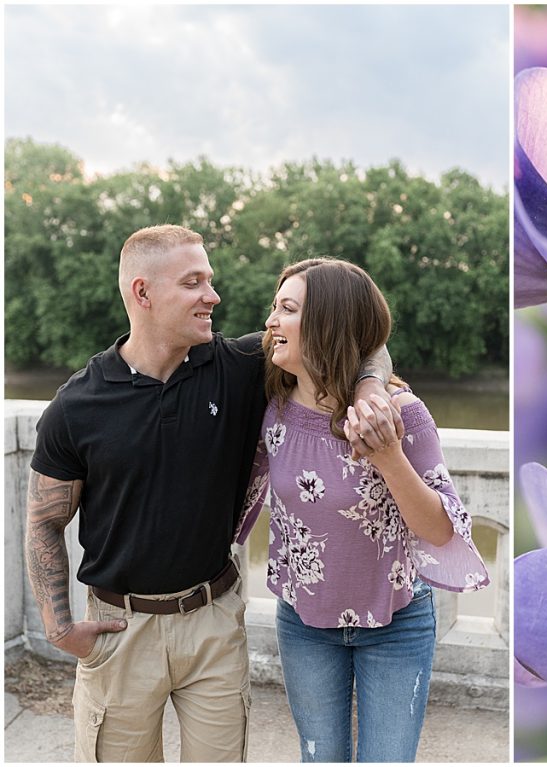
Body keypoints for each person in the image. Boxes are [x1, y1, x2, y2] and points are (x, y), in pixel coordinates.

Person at [24, 225, 395, 762]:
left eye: (211, 280)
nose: (213, 295)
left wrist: (369, 387)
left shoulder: (244, 367)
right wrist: (60, 628)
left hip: (214, 623)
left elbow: (363, 338)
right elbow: (43, 520)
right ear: (142, 293)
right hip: (120, 631)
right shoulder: (76, 405)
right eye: (193, 282)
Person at [234, 258, 490, 763]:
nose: (270, 321)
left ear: (328, 323)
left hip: (396, 623)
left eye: (286, 309)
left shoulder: (401, 412)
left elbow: (440, 531)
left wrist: (389, 455)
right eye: (274, 306)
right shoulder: (270, 405)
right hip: (305, 624)